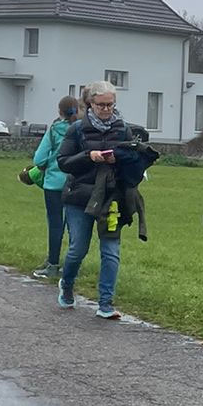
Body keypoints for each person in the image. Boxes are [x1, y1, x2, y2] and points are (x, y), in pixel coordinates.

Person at [57, 82, 135, 321]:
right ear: (90, 103)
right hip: (79, 197)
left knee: (111, 251)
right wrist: (88, 157)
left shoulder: (123, 130)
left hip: (111, 198)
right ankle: (67, 284)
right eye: (101, 105)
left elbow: (132, 161)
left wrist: (122, 161)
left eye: (110, 105)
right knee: (77, 249)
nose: (106, 109)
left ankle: (106, 303)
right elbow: (63, 162)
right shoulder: (77, 130)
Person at [24, 95, 80, 280]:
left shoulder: (54, 130)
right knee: (75, 224)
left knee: (55, 223)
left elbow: (38, 159)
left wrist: (49, 162)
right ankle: (72, 265)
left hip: (54, 183)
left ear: (59, 112)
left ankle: (53, 264)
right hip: (75, 182)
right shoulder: (81, 130)